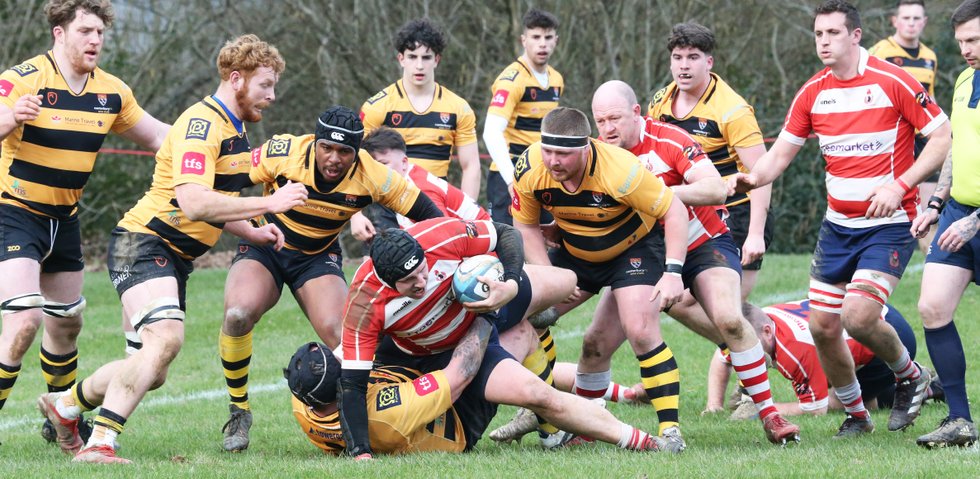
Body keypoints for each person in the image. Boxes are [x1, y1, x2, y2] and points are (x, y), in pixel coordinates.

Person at [37, 34, 306, 464]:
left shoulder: (233, 128)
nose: (272, 96)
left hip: (167, 255)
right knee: (166, 339)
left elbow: (215, 200)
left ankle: (65, 404)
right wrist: (270, 204)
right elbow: (193, 201)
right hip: (142, 243)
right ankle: (101, 443)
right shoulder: (203, 125)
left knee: (152, 370)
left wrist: (252, 231)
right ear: (236, 79)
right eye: (265, 85)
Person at [730, 0, 951, 438]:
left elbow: (942, 136)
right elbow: (781, 155)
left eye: (832, 33)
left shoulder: (893, 80)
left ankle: (910, 376)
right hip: (837, 227)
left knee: (859, 315)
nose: (824, 42)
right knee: (822, 325)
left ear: (855, 35)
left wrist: (898, 185)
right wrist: (748, 180)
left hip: (887, 225)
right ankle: (857, 416)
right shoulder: (813, 91)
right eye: (818, 34)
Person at [338, 218, 666, 460]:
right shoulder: (365, 305)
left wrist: (508, 283)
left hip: (491, 299)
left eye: (424, 269)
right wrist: (361, 453)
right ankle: (643, 441)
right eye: (410, 282)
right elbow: (351, 386)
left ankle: (523, 314)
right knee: (540, 396)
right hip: (451, 347)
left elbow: (506, 233)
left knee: (567, 281)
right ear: (387, 281)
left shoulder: (438, 236)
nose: (422, 281)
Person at [583, 81, 799, 446]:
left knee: (729, 318)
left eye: (615, 118)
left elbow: (715, 188)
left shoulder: (670, 139)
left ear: (637, 113)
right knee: (594, 342)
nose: (608, 128)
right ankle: (583, 428)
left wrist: (655, 196)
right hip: (644, 251)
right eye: (600, 120)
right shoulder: (598, 154)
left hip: (702, 241)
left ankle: (770, 414)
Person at [217, 108, 444, 452]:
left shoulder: (375, 175)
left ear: (357, 154)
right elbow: (220, 183)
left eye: (344, 152)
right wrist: (250, 227)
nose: (334, 158)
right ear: (315, 142)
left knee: (345, 337)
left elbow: (432, 218)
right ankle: (239, 410)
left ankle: (368, 413)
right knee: (237, 315)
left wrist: (434, 263)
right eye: (327, 148)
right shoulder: (284, 152)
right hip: (264, 244)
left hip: (316, 258)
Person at [0, 0, 168, 436]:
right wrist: (11, 116)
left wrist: (211, 148)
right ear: (59, 33)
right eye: (86, 31)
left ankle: (61, 421)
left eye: (100, 33)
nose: (95, 40)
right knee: (23, 324)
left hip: (64, 221)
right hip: (13, 212)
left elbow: (158, 136)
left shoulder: (111, 91)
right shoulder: (24, 79)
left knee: (67, 323)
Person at [509, 107, 691, 451]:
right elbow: (526, 226)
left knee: (640, 329)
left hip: (631, 250)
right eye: (548, 150)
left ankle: (671, 433)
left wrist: (673, 273)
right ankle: (564, 425)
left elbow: (674, 209)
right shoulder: (530, 166)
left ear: (586, 147)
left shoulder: (620, 169)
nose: (553, 161)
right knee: (530, 317)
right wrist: (550, 278)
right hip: (576, 251)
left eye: (563, 153)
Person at [648, 22, 772, 300]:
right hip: (691, 213)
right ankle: (753, 339)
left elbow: (763, 175)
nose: (684, 66)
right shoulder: (661, 101)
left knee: (723, 309)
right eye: (677, 58)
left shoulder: (733, 110)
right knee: (669, 297)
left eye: (693, 58)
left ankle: (769, 335)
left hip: (738, 214)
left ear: (709, 62)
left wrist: (755, 234)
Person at [910, 0, 980, 449]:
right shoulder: (962, 80)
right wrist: (936, 201)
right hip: (958, 211)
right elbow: (956, 145)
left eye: (974, 40)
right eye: (961, 42)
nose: (966, 50)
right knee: (933, 308)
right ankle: (960, 420)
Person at [287, 316, 494, 455]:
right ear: (344, 382)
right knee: (497, 332)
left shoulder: (302, 400)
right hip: (457, 417)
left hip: (395, 372)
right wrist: (486, 315)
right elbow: (459, 375)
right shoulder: (386, 414)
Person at [706, 301, 935, 418]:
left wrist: (763, 409)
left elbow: (816, 408)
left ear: (767, 332)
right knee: (859, 396)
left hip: (886, 334)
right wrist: (714, 406)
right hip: (873, 318)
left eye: (750, 343)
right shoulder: (753, 325)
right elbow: (721, 356)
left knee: (844, 401)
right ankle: (913, 380)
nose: (743, 349)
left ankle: (923, 384)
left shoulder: (795, 352)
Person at [360, 18, 480, 199]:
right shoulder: (376, 107)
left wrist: (468, 213)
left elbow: (470, 165)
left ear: (437, 60)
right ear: (401, 59)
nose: (419, 65)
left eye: (426, 57)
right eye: (412, 57)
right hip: (388, 201)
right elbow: (357, 162)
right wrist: (357, 215)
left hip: (436, 201)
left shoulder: (458, 108)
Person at [869, 0, 940, 253]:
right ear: (895, 21)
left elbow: (928, 99)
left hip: (923, 140)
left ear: (924, 22)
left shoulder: (930, 57)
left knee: (932, 204)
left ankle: (930, 261)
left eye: (916, 18)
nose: (911, 23)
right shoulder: (879, 51)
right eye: (906, 18)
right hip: (891, 140)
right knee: (885, 200)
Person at [483, 8, 562, 225]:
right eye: (536, 37)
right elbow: (491, 132)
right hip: (509, 175)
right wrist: (511, 179)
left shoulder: (556, 79)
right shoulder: (512, 80)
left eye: (548, 37)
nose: (542, 43)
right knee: (508, 245)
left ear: (556, 40)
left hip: (542, 173)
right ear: (523, 40)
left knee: (548, 240)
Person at [349, 126, 487, 242]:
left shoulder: (420, 188)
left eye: (383, 164)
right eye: (373, 167)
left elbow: (444, 237)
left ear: (404, 162)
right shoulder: (398, 184)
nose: (378, 171)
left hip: (482, 247)